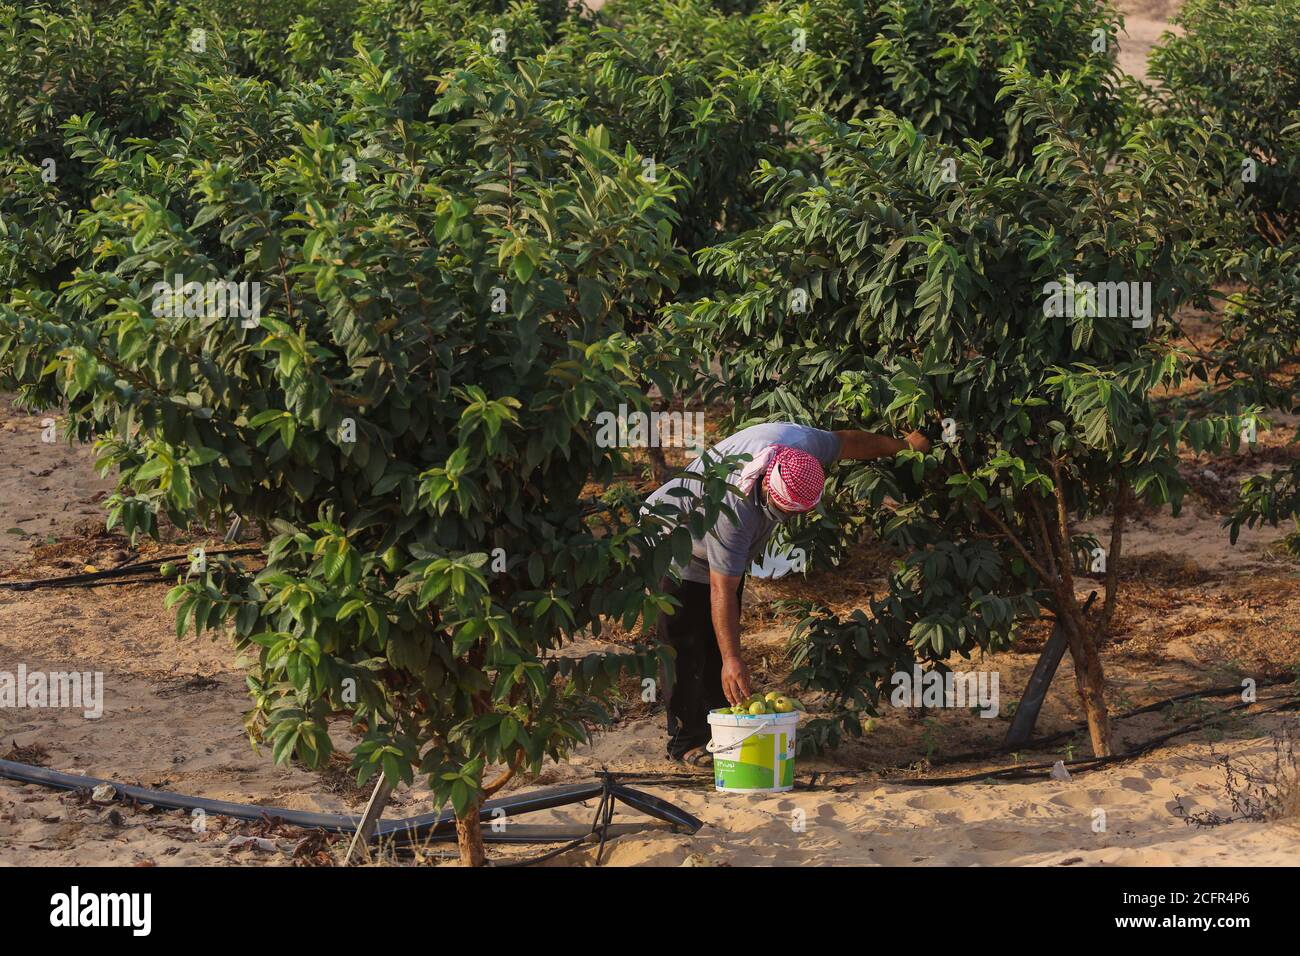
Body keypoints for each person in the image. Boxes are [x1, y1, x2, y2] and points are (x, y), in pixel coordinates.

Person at [642, 422, 932, 765]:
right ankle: (686, 741)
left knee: (717, 643)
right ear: (766, 484)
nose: (783, 519)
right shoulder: (734, 510)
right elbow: (722, 588)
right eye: (780, 512)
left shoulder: (802, 447)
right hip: (674, 536)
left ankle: (719, 732)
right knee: (686, 640)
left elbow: (848, 441)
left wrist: (902, 445)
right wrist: (734, 659)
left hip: (719, 544)